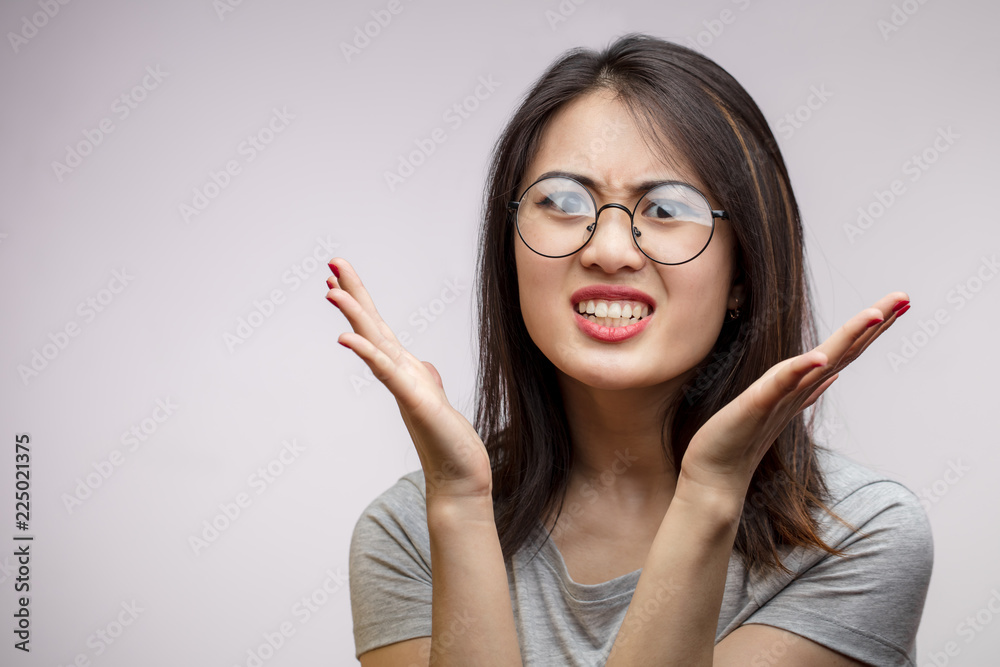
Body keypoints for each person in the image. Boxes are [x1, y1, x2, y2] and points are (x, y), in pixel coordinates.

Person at [328, 33, 932, 666]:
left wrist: (709, 497)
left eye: (668, 208)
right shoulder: (408, 533)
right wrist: (457, 506)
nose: (609, 250)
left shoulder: (860, 535)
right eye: (562, 202)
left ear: (743, 275)